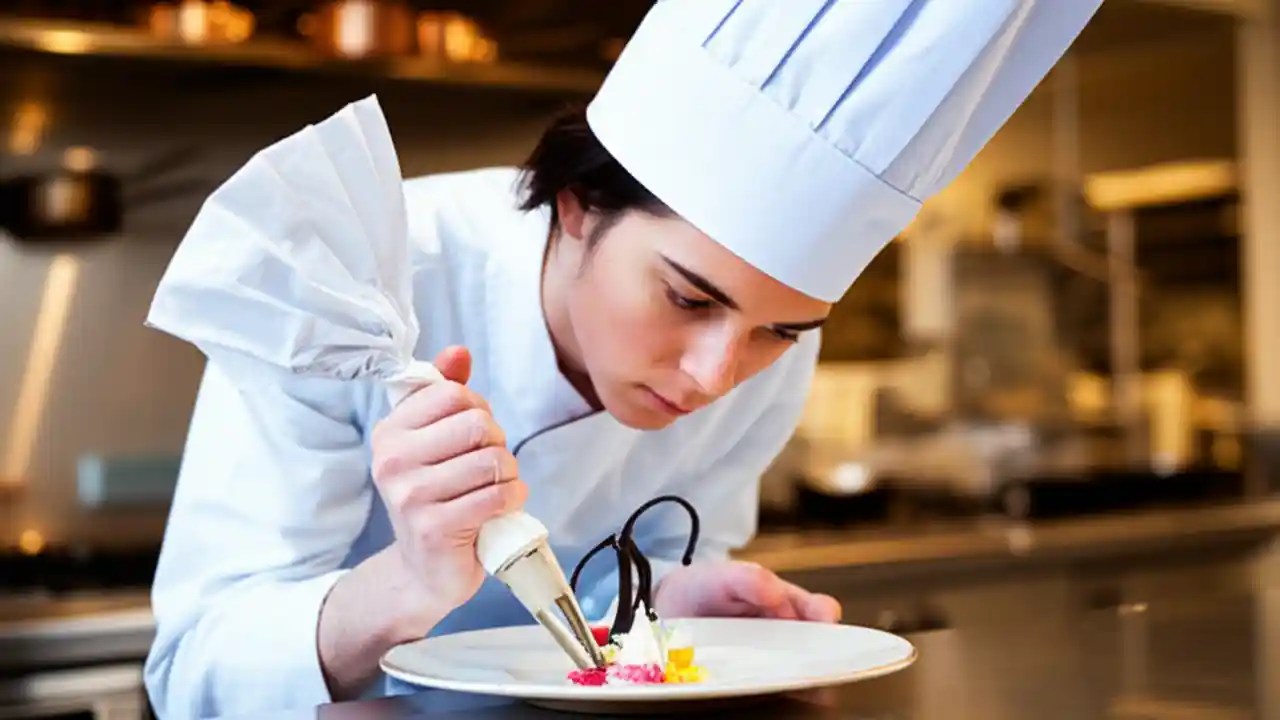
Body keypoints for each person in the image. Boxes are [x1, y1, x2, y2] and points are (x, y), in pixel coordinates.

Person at [143, 1, 1103, 717]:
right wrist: (408, 582)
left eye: (782, 330)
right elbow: (192, 677)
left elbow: (613, 603)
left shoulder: (768, 357)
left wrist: (678, 604)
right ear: (577, 206)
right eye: (688, 298)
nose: (717, 376)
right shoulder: (354, 285)